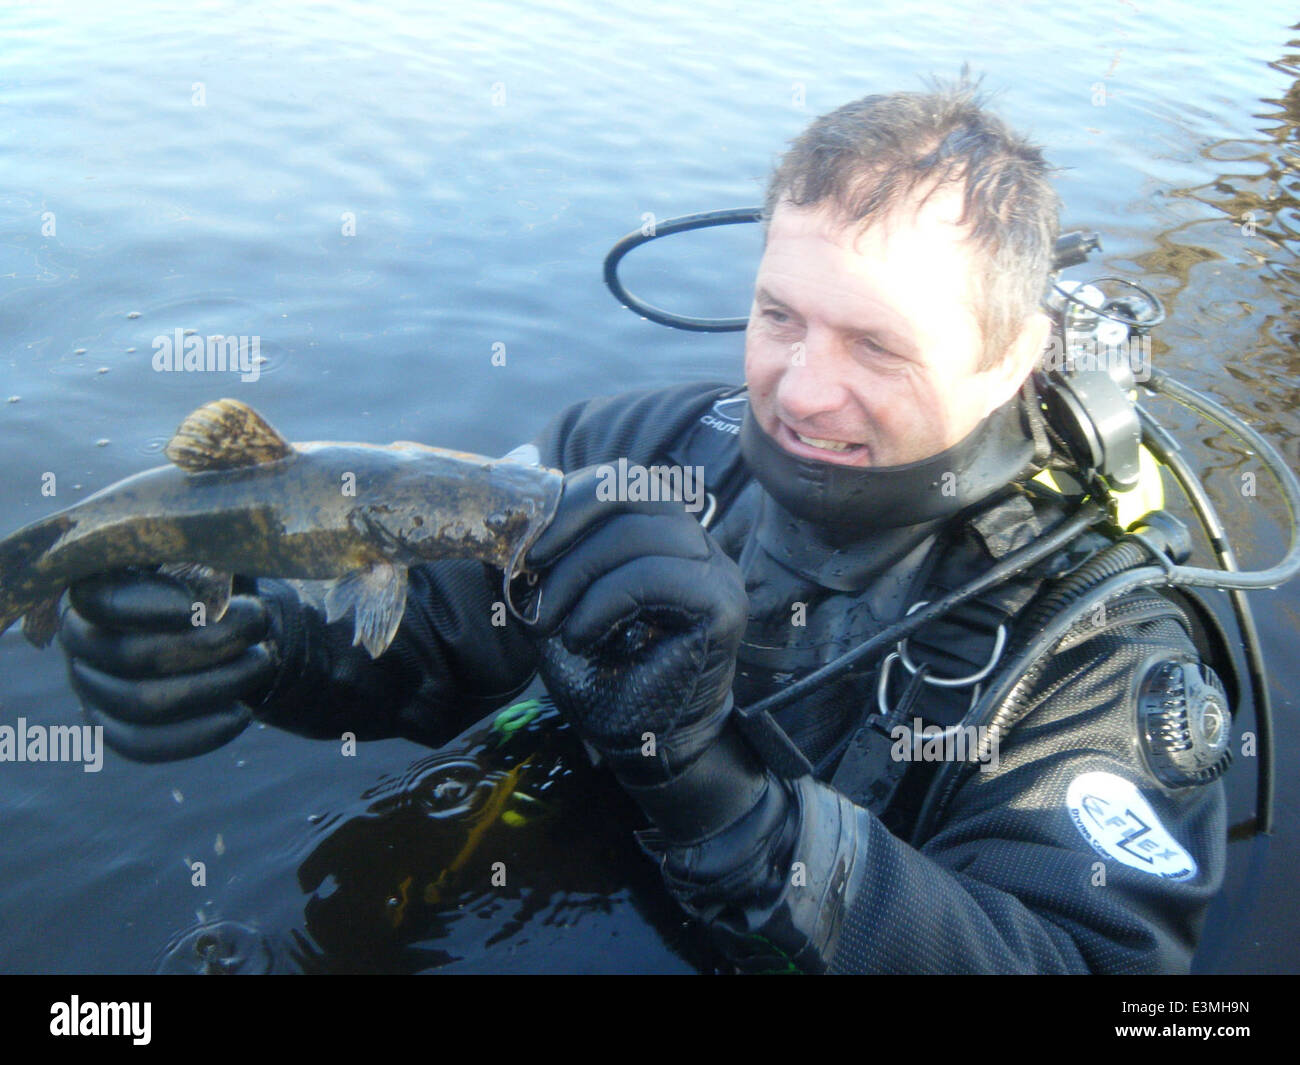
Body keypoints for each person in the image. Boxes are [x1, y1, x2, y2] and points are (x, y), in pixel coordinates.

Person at [55, 83, 1234, 974]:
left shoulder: (1097, 655)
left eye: (876, 344)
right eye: (780, 316)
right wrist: (263, 648)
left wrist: (727, 809)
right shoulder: (643, 449)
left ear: (1011, 356)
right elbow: (431, 640)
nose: (803, 389)